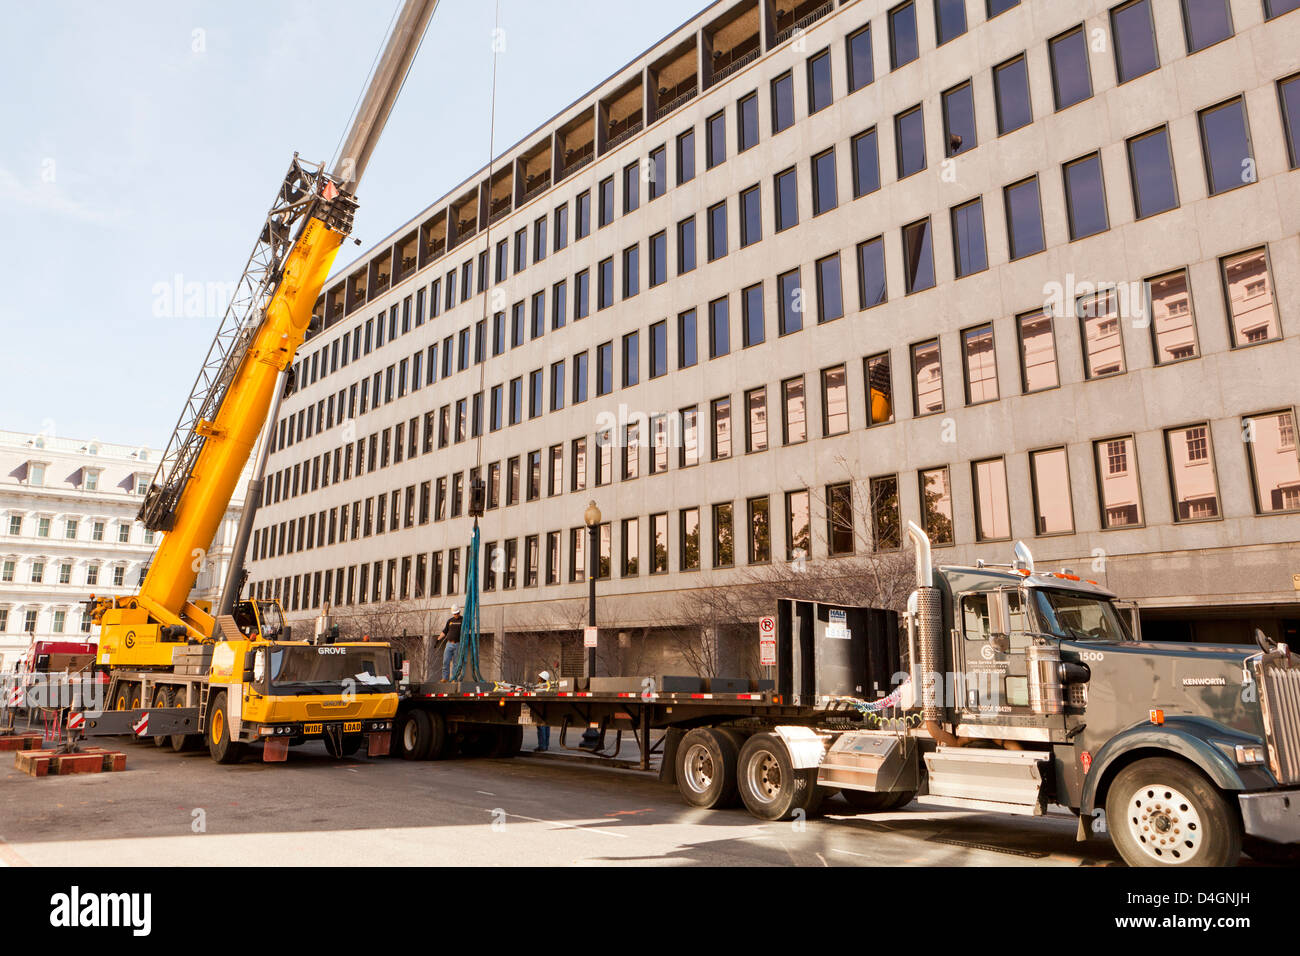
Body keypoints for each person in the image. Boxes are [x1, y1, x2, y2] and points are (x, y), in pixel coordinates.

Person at [439, 606, 463, 681]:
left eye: (457, 613)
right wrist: (439, 638)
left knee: (456, 663)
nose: (456, 615)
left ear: (459, 612)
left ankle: (454, 678)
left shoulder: (463, 620)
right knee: (445, 661)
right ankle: (445, 678)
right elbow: (445, 631)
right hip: (449, 644)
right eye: (455, 613)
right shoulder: (450, 621)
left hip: (458, 644)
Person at [534, 670, 552, 751]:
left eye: (539, 677)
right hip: (547, 709)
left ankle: (542, 746)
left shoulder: (541, 687)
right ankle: (546, 745)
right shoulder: (548, 686)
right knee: (546, 727)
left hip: (541, 709)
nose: (538, 679)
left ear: (542, 679)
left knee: (541, 727)